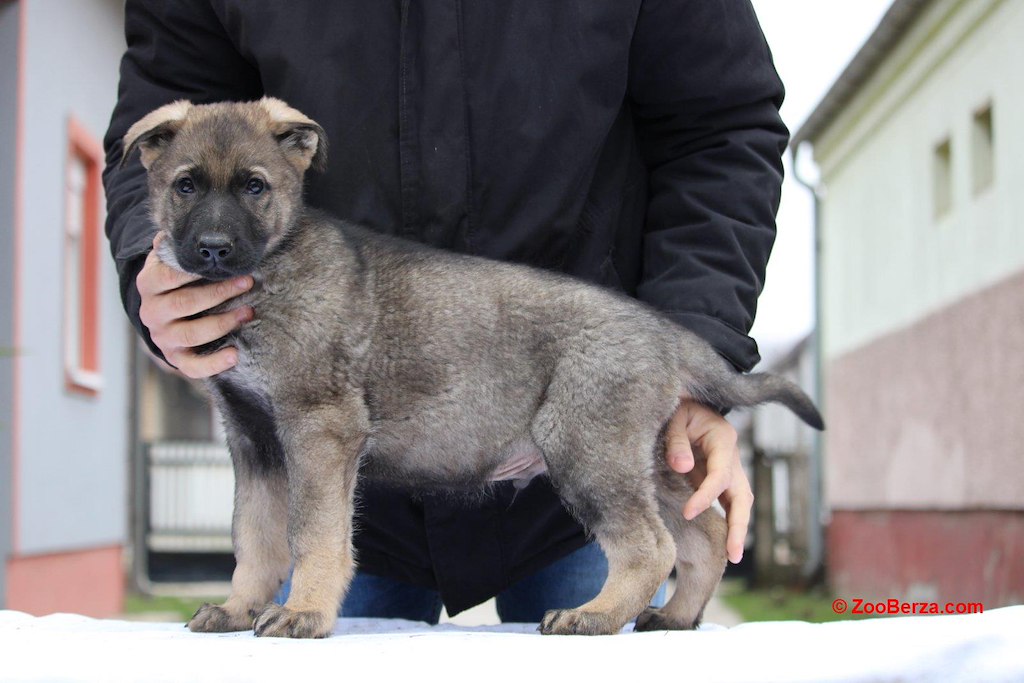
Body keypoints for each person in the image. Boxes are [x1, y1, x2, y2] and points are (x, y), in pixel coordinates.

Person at [103, 0, 786, 624]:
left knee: (613, 535)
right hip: (353, 503)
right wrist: (153, 269)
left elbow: (720, 128)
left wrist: (695, 340)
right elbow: (164, 109)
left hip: (567, 431)